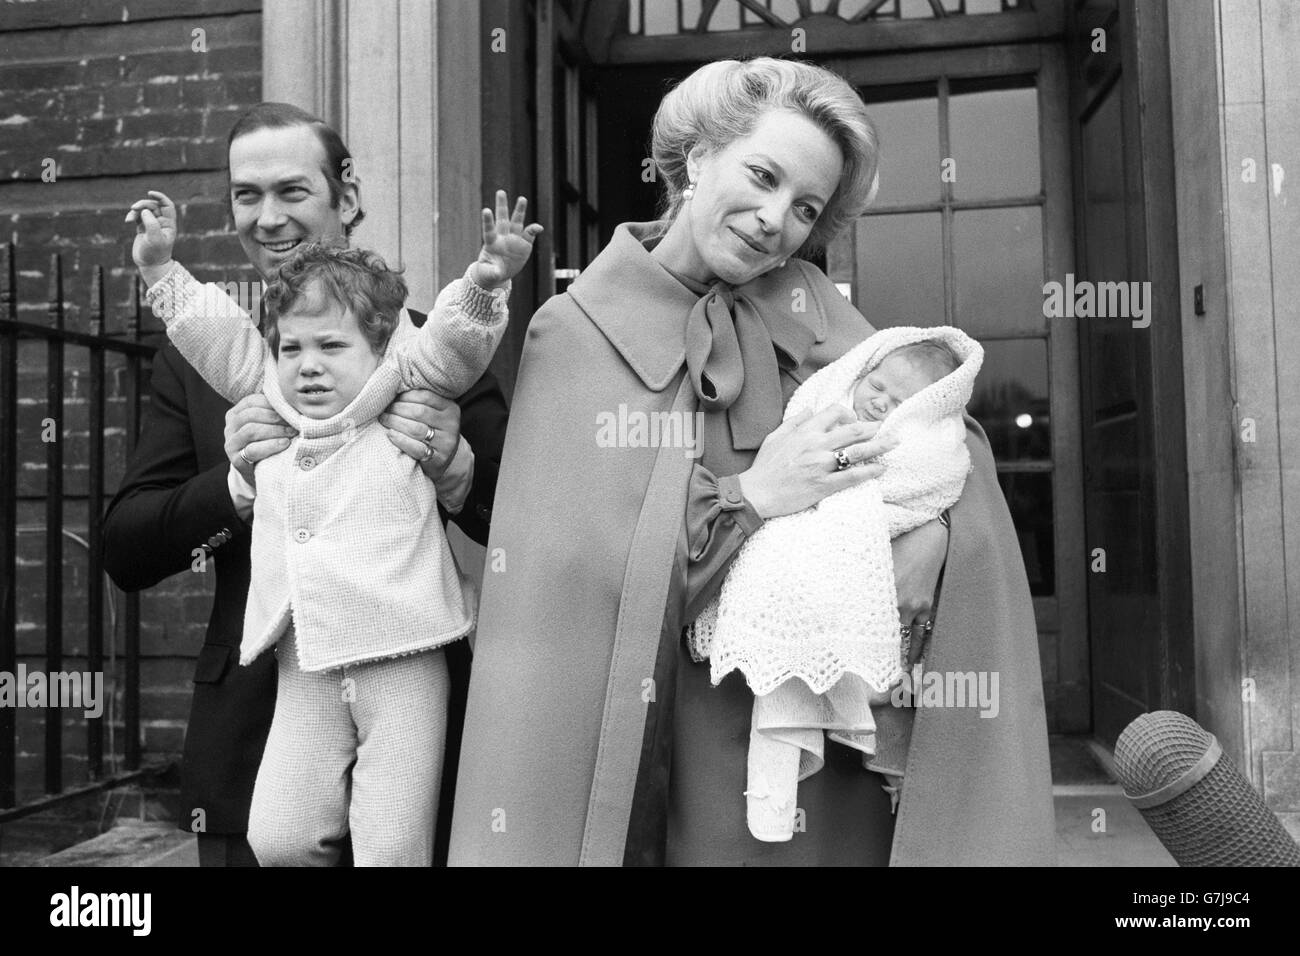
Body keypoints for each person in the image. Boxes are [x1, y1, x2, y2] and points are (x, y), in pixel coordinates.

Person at [449, 57, 1055, 866]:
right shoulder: (576, 332)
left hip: (832, 737)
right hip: (681, 754)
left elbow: (945, 434)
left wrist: (936, 537)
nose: (776, 220)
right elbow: (569, 584)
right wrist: (755, 495)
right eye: (762, 176)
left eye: (805, 207)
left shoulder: (809, 305)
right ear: (697, 160)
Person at [102, 103, 510, 867]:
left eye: (291, 190)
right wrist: (232, 485)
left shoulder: (423, 349)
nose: (266, 217)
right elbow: (125, 550)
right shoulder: (203, 362)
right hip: (251, 746)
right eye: (246, 195)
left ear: (346, 196)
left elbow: (528, 529)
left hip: (419, 717)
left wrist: (455, 475)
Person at [687, 327, 982, 842]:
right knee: (788, 669)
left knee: (890, 680)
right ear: (859, 371)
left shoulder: (927, 440)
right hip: (813, 561)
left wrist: (927, 526)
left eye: (899, 402)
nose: (879, 403)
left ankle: (900, 785)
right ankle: (774, 800)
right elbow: (784, 456)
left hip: (880, 567)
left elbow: (934, 476)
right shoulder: (824, 408)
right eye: (877, 385)